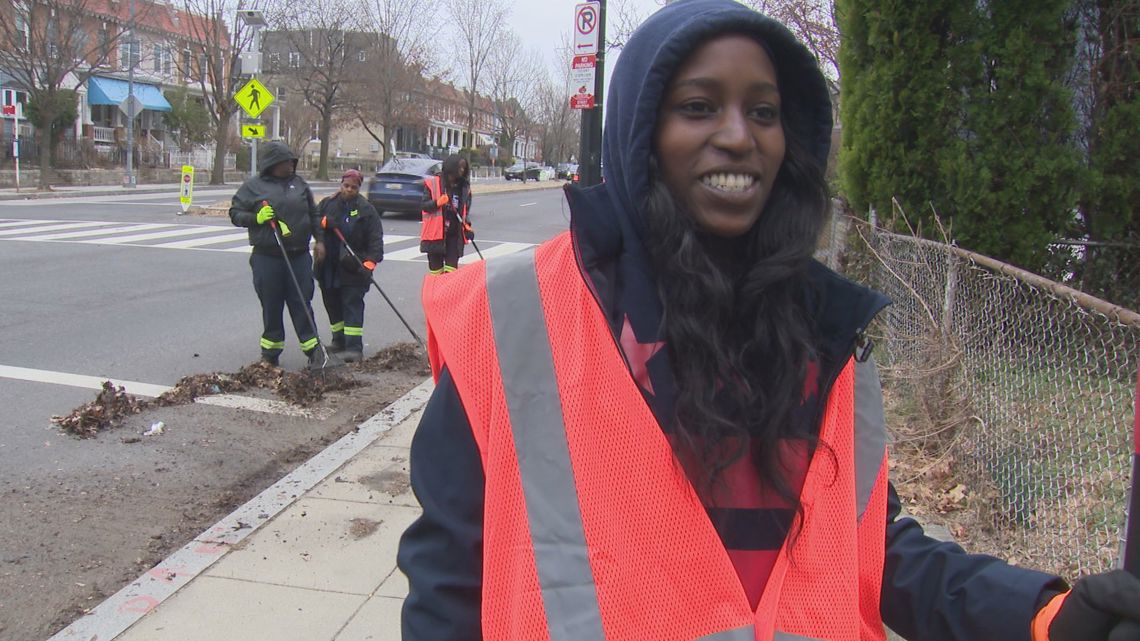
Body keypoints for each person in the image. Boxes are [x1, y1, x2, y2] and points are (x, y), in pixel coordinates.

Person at [398, 1, 1140, 640]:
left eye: (764, 112)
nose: (738, 135)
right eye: (698, 106)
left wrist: (1042, 615)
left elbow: (867, 551)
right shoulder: (516, 319)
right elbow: (447, 587)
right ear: (639, 132)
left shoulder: (824, 334)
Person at [229, 141, 326, 367]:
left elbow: (313, 214)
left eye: (292, 161)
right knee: (271, 304)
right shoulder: (253, 187)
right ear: (273, 164)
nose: (291, 165)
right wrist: (256, 218)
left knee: (302, 302)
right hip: (268, 257)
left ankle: (314, 350)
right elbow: (235, 213)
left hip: (298, 255)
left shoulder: (299, 184)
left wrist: (320, 240)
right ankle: (270, 353)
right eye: (286, 162)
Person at [314, 169, 384, 363]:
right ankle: (339, 341)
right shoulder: (328, 204)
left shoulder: (366, 210)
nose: (349, 190)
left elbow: (376, 239)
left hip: (353, 267)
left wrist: (370, 263)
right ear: (341, 184)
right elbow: (313, 220)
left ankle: (354, 348)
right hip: (329, 266)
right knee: (332, 303)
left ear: (359, 188)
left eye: (354, 187)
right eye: (346, 186)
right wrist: (323, 222)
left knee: (351, 305)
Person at [420, 154, 473, 274]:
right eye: (460, 167)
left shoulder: (464, 188)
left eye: (464, 168)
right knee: (436, 273)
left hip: (454, 235)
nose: (462, 170)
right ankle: (437, 287)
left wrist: (467, 226)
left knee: (451, 273)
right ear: (452, 167)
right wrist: (437, 203)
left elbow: (465, 212)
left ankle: (448, 287)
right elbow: (424, 206)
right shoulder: (433, 183)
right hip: (435, 236)